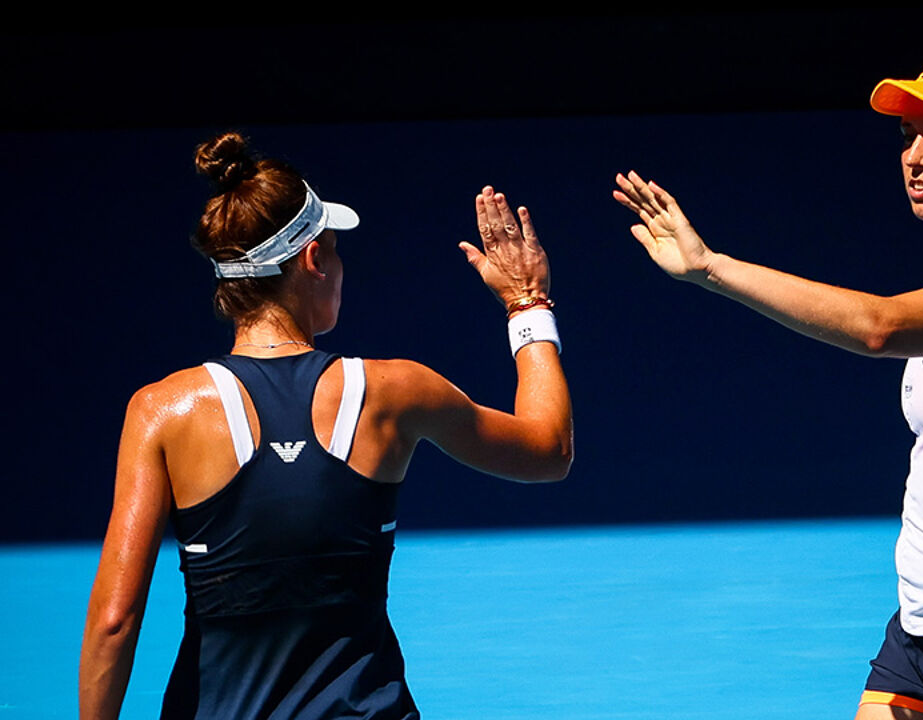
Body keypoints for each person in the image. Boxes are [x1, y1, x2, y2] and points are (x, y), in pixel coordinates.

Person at [613, 50, 923, 719]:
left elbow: (879, 328)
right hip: (920, 627)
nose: (915, 157)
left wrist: (711, 268)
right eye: (909, 138)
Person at [79, 132, 573, 719]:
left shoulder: (161, 410)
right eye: (335, 250)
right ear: (313, 259)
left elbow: (114, 622)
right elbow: (549, 449)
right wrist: (527, 302)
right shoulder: (394, 393)